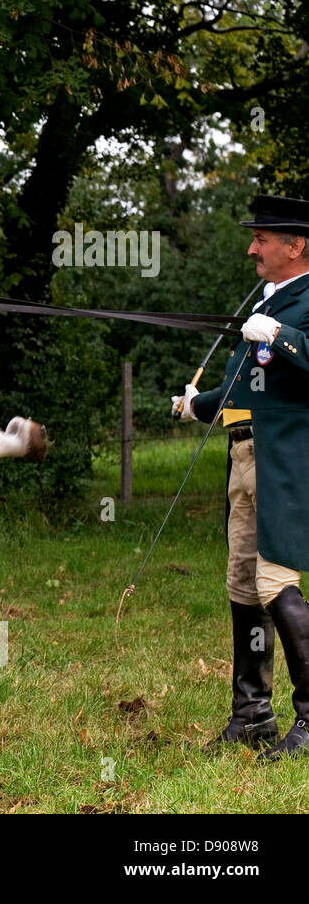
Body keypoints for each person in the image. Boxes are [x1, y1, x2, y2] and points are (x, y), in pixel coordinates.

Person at [174, 194, 309, 760]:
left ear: (296, 246)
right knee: (242, 582)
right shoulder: (270, 299)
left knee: (275, 579)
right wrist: (195, 406)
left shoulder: (301, 305)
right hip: (245, 456)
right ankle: (252, 713)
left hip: (286, 459)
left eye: (262, 238)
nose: (252, 247)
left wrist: (277, 335)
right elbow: (244, 388)